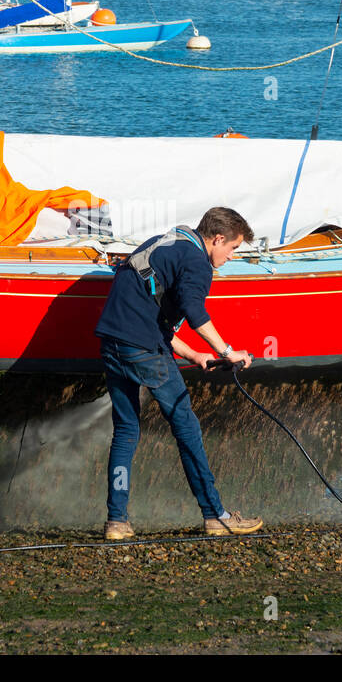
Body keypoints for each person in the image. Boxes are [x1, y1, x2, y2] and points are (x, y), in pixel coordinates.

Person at [94, 207, 262, 541]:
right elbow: (196, 312)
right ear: (217, 239)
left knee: (126, 431)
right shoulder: (198, 263)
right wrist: (227, 352)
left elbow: (151, 313)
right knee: (186, 426)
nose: (232, 256)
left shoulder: (165, 244)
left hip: (112, 342)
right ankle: (216, 516)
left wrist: (196, 355)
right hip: (143, 349)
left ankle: (117, 521)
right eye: (233, 248)